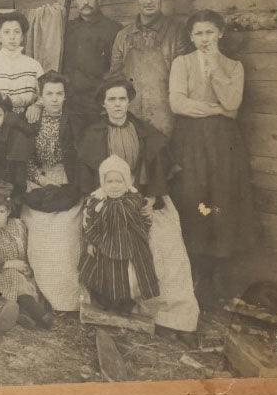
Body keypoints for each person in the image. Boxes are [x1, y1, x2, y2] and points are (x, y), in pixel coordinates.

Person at [76, 76, 200, 343]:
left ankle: (174, 317)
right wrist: (102, 202)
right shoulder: (94, 134)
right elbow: (88, 179)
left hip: (142, 198)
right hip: (107, 200)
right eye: (112, 99)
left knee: (166, 244)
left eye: (122, 98)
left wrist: (152, 199)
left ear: (128, 100)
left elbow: (157, 169)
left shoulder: (143, 130)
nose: (118, 105)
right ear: (103, 104)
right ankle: (124, 302)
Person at [167, 9, 257, 300]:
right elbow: (178, 103)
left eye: (209, 32)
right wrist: (216, 110)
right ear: (191, 38)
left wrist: (215, 68)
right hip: (191, 140)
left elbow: (233, 101)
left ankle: (218, 279)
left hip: (223, 144)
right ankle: (196, 275)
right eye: (198, 34)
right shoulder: (181, 63)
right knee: (193, 196)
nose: (204, 39)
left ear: (220, 34)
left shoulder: (233, 66)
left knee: (222, 199)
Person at [19, 72, 83, 314]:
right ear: (40, 96)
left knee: (64, 234)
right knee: (38, 232)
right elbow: (23, 156)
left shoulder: (74, 120)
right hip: (38, 181)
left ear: (65, 96)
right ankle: (40, 293)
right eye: (49, 94)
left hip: (66, 180)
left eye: (59, 94)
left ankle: (65, 299)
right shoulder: (32, 119)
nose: (55, 99)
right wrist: (40, 178)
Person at [78, 155, 160, 314]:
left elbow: (144, 219)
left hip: (129, 244)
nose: (114, 186)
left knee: (128, 276)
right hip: (105, 244)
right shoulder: (98, 202)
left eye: (119, 181)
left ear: (127, 182)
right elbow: (90, 224)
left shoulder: (134, 199)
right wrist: (91, 242)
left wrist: (143, 231)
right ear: (103, 182)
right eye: (110, 181)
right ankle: (106, 301)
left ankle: (125, 303)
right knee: (105, 274)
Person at [109, 0, 188, 136]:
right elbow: (115, 79)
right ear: (136, 0)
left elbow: (182, 79)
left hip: (166, 119)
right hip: (131, 118)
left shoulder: (176, 31)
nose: (149, 1)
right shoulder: (123, 36)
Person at [0, 183, 51, 335]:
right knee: (14, 278)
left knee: (26, 281)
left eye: (1, 211)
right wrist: (10, 264)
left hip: (19, 271)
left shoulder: (17, 226)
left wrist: (26, 265)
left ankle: (22, 314)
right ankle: (38, 313)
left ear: (8, 211)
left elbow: (27, 248)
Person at [62, 0, 122, 130]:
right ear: (75, 0)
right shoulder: (66, 29)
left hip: (97, 106)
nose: (85, 2)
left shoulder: (114, 30)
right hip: (69, 105)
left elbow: (117, 71)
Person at [0, 11, 44, 121]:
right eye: (6, 32)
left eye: (17, 32)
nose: (12, 37)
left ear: (22, 37)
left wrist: (37, 106)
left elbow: (44, 95)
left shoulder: (34, 66)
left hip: (29, 120)